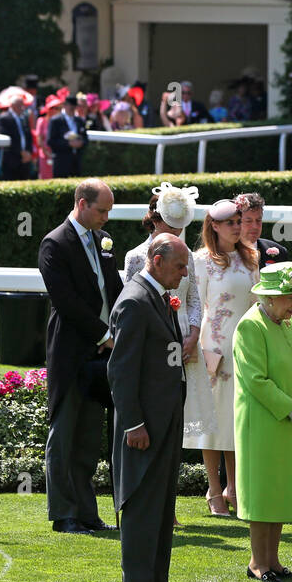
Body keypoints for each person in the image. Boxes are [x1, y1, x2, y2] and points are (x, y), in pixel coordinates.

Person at [107, 234, 190, 582]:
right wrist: (133, 424)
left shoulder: (157, 297)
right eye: (179, 266)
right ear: (156, 260)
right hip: (144, 426)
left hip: (166, 418)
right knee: (142, 504)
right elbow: (121, 372)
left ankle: (157, 581)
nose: (184, 273)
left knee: (161, 503)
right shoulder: (135, 302)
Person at [39, 179, 124, 535]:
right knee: (65, 433)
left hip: (101, 350)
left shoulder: (101, 241)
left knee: (89, 434)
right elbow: (65, 300)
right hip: (72, 351)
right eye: (102, 210)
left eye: (108, 211)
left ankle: (87, 512)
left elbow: (114, 288)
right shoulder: (54, 243)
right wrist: (103, 334)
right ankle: (63, 513)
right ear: (81, 203)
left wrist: (121, 328)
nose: (106, 217)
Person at [234, 262, 292, 582]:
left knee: (281, 489)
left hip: (288, 420)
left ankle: (274, 560)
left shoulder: (287, 324)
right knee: (263, 492)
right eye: (289, 297)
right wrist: (288, 406)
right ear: (268, 299)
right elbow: (256, 380)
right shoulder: (250, 327)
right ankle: (258, 563)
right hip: (261, 423)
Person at [125, 184, 210, 467]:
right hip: (156, 341)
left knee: (181, 418)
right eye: (169, 225)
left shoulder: (184, 254)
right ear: (155, 218)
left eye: (179, 227)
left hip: (186, 337)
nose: (174, 232)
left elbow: (195, 296)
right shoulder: (136, 256)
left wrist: (194, 334)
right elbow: (131, 304)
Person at [190, 199, 259, 515]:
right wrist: (202, 350)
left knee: (238, 418)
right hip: (215, 344)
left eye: (237, 221)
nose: (236, 226)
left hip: (244, 346)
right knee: (213, 420)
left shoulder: (250, 258)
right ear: (214, 226)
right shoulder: (201, 261)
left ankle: (234, 487)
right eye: (229, 222)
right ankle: (214, 490)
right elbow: (196, 305)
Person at [234, 191, 288, 267]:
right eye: (248, 221)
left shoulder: (280, 253)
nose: (255, 226)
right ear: (236, 222)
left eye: (258, 220)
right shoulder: (223, 253)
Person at [0, 86, 35, 181]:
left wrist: (28, 153)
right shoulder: (4, 118)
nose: (22, 108)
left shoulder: (24, 118)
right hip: (11, 159)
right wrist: (21, 152)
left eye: (23, 105)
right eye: (19, 106)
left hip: (24, 160)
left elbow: (28, 136)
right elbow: (7, 138)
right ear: (13, 106)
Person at [47, 95, 85, 178]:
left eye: (74, 106)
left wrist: (81, 143)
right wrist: (68, 144)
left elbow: (85, 138)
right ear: (65, 106)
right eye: (70, 106)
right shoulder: (56, 121)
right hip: (61, 161)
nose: (72, 108)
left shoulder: (80, 121)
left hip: (76, 161)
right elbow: (50, 141)